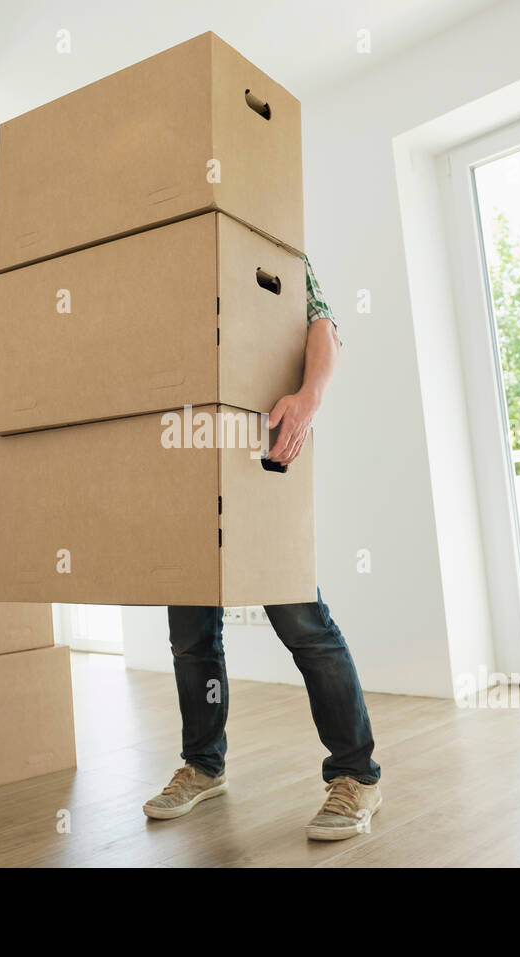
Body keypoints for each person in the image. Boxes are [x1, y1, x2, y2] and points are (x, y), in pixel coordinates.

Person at [143, 256, 381, 841]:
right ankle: (202, 765)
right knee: (191, 633)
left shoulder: (268, 240)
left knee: (302, 620)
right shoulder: (159, 249)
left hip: (259, 455)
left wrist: (309, 398)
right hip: (183, 459)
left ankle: (356, 775)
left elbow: (322, 325)